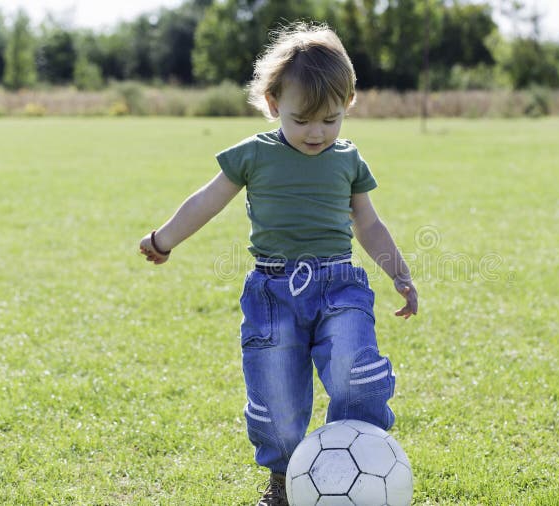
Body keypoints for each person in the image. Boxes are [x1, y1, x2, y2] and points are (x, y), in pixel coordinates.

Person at [139, 22, 418, 506]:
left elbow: (368, 225)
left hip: (339, 286)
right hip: (272, 295)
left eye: (331, 120)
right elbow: (206, 202)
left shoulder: (349, 160)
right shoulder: (252, 155)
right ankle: (286, 480)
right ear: (273, 105)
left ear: (347, 105)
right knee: (278, 407)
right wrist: (163, 239)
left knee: (357, 373)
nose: (317, 133)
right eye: (302, 120)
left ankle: (359, 461)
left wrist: (399, 272)